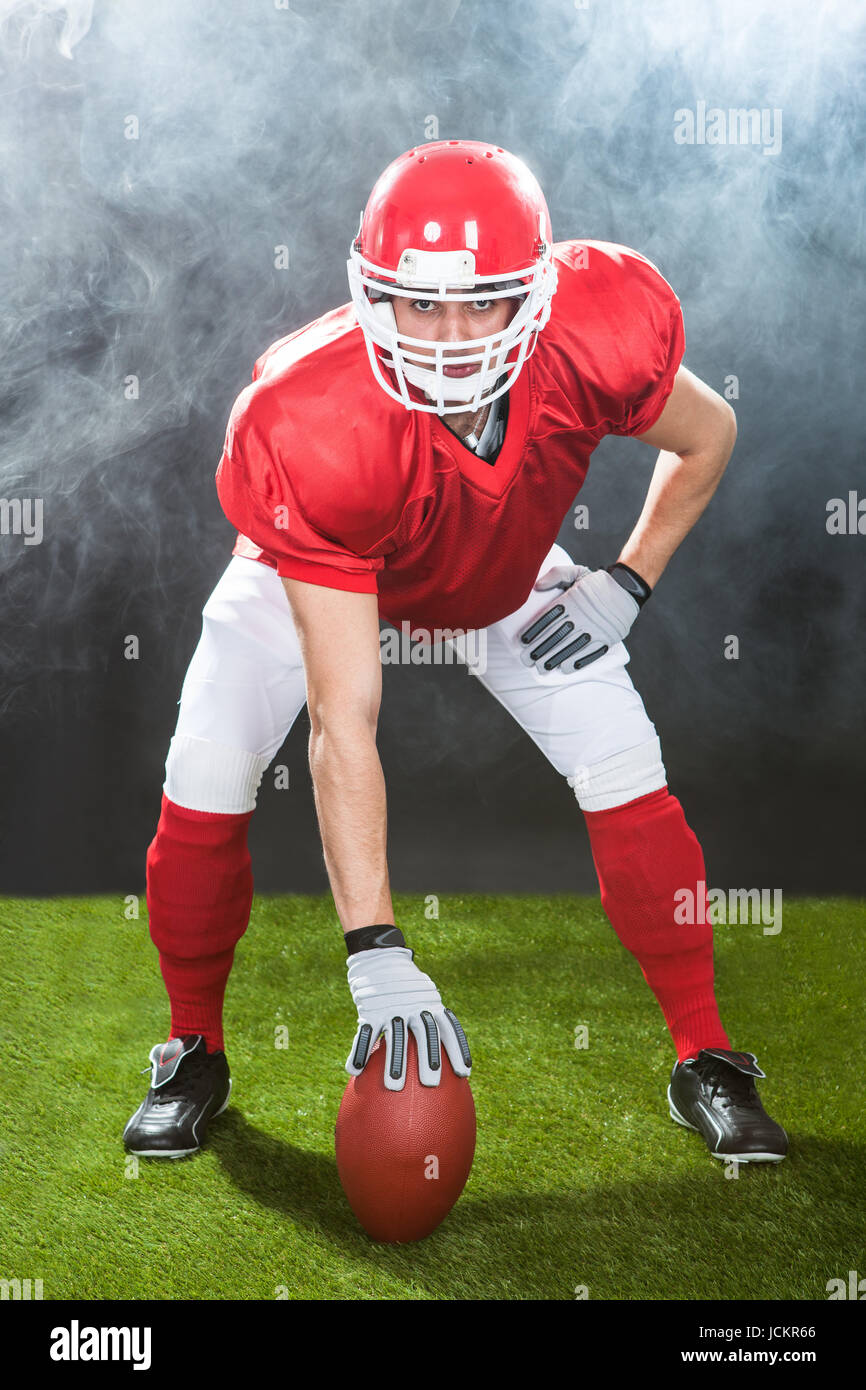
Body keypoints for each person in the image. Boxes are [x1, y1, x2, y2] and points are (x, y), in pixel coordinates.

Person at [123, 139, 787, 1166]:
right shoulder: (309, 417)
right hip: (322, 574)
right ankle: (192, 1043)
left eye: (481, 302)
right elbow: (347, 720)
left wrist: (626, 580)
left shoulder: (593, 329)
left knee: (623, 764)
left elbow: (708, 433)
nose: (449, 336)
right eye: (417, 305)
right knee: (207, 766)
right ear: (367, 293)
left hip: (497, 568)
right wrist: (375, 948)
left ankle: (705, 1053)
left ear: (535, 289)